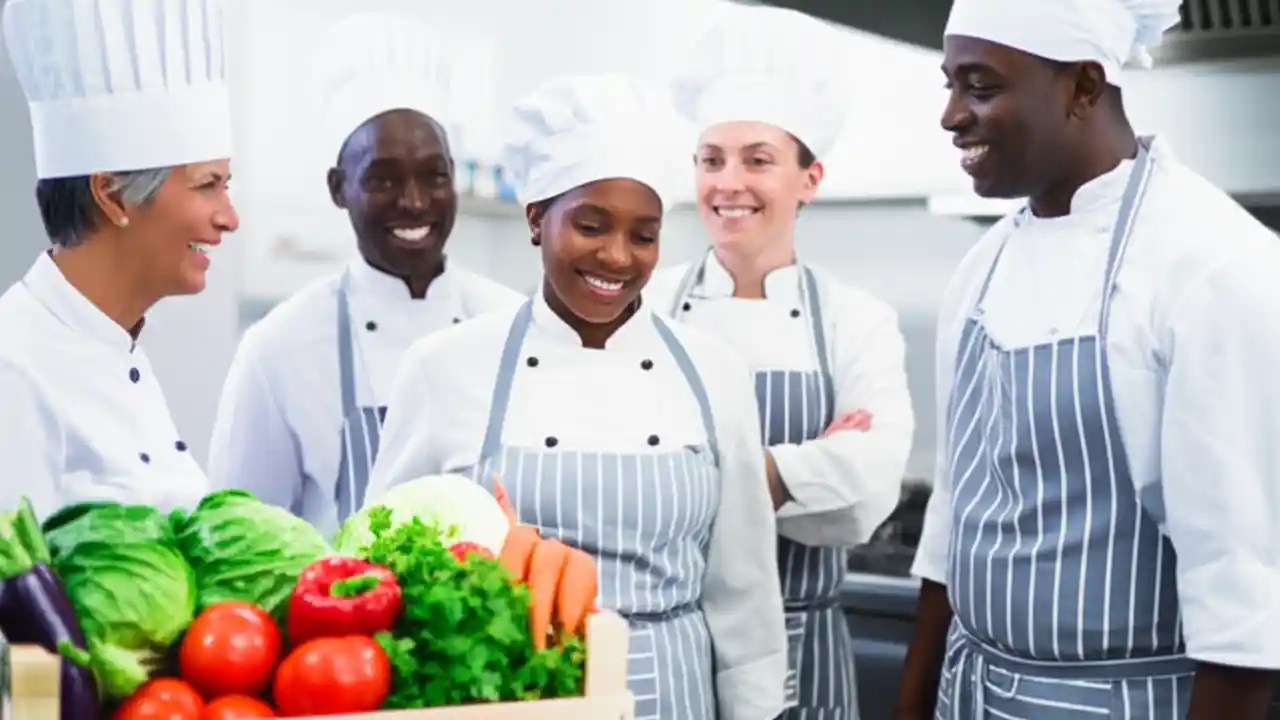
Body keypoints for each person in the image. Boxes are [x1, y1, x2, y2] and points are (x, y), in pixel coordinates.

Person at [895, 1, 1280, 717]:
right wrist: (913, 702)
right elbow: (953, 515)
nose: (951, 115)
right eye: (949, 84)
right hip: (969, 691)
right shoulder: (984, 265)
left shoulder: (1211, 267)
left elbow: (1245, 596)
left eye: (979, 86)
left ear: (1083, 87)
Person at [364, 74, 788, 720]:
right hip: (509, 697)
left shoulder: (715, 373)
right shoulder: (444, 369)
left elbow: (745, 597)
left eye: (643, 235)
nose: (617, 257)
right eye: (591, 226)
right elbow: (380, 568)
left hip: (673, 699)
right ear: (537, 217)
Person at [648, 7, 916, 717]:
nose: (728, 183)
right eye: (712, 159)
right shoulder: (644, 311)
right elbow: (621, 485)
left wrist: (701, 477)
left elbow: (866, 493)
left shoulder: (857, 320)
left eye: (758, 159)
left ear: (810, 178)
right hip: (679, 649)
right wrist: (798, 469)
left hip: (811, 642)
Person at [207, 12, 522, 538]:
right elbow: (239, 539)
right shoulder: (278, 350)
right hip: (336, 619)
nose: (415, 202)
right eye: (382, 179)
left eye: (434, 176)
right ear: (338, 188)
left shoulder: (512, 325)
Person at [0, 0, 239, 519]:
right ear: (111, 195)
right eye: (207, 186)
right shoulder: (12, 370)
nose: (229, 217)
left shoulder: (118, 350)